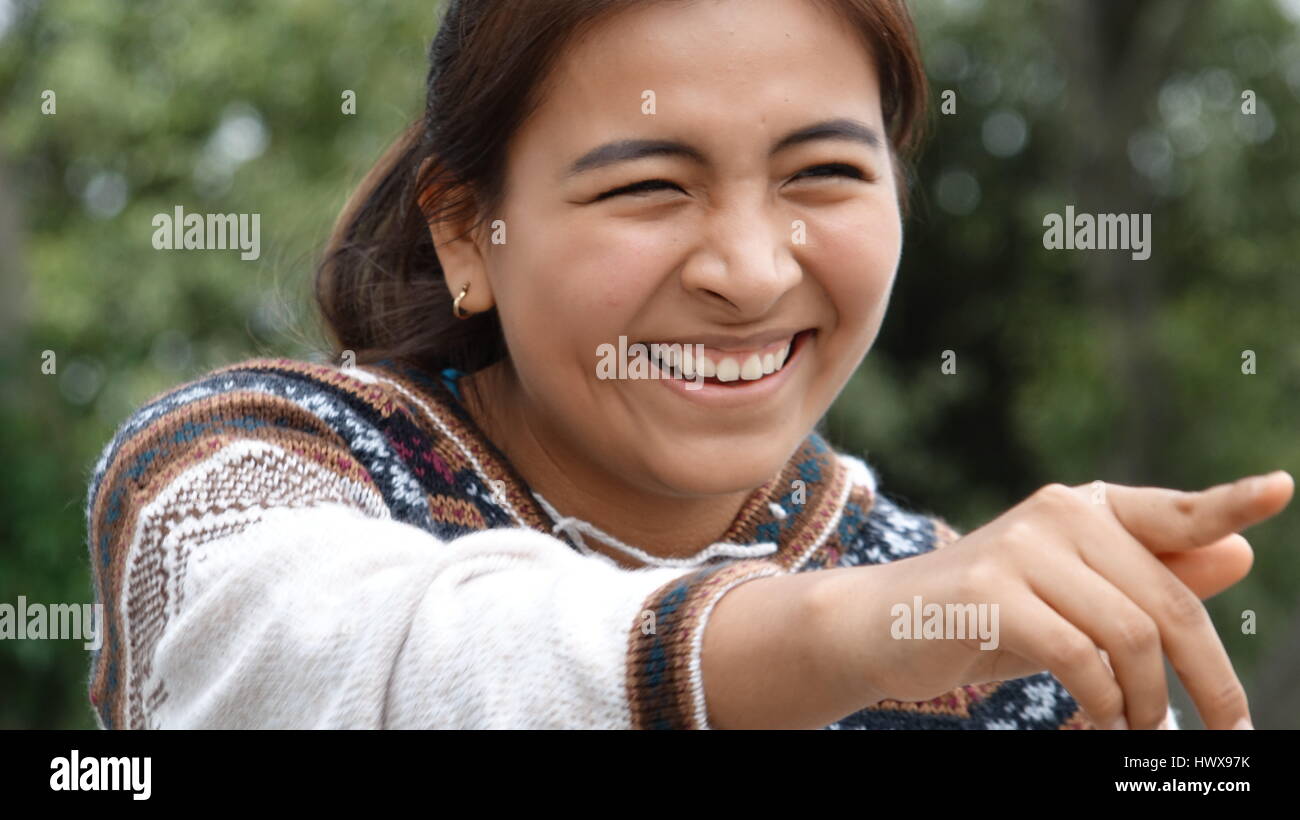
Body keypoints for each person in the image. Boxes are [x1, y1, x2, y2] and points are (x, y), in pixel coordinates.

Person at [84, 0, 1292, 730]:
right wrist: (836, 639)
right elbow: (340, 675)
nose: (752, 271)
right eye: (649, 186)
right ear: (468, 232)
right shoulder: (238, 474)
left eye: (823, 174)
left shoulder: (992, 646)